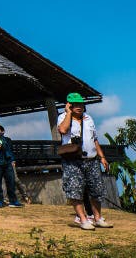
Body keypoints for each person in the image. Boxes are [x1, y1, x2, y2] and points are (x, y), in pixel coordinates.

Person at [57, 92, 114, 231]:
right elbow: (63, 130)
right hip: (73, 161)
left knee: (96, 189)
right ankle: (83, 220)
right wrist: (68, 113)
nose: (79, 106)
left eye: (81, 104)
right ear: (69, 105)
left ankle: (98, 218)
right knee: (75, 189)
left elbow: (95, 139)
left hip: (92, 160)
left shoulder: (89, 119)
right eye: (75, 104)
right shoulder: (63, 117)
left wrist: (102, 157)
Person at [0, 126, 31, 204]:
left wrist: (13, 160)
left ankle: (25, 196)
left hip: (10, 162)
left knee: (15, 179)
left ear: (3, 131)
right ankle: (5, 199)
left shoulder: (7, 140)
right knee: (3, 180)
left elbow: (9, 150)